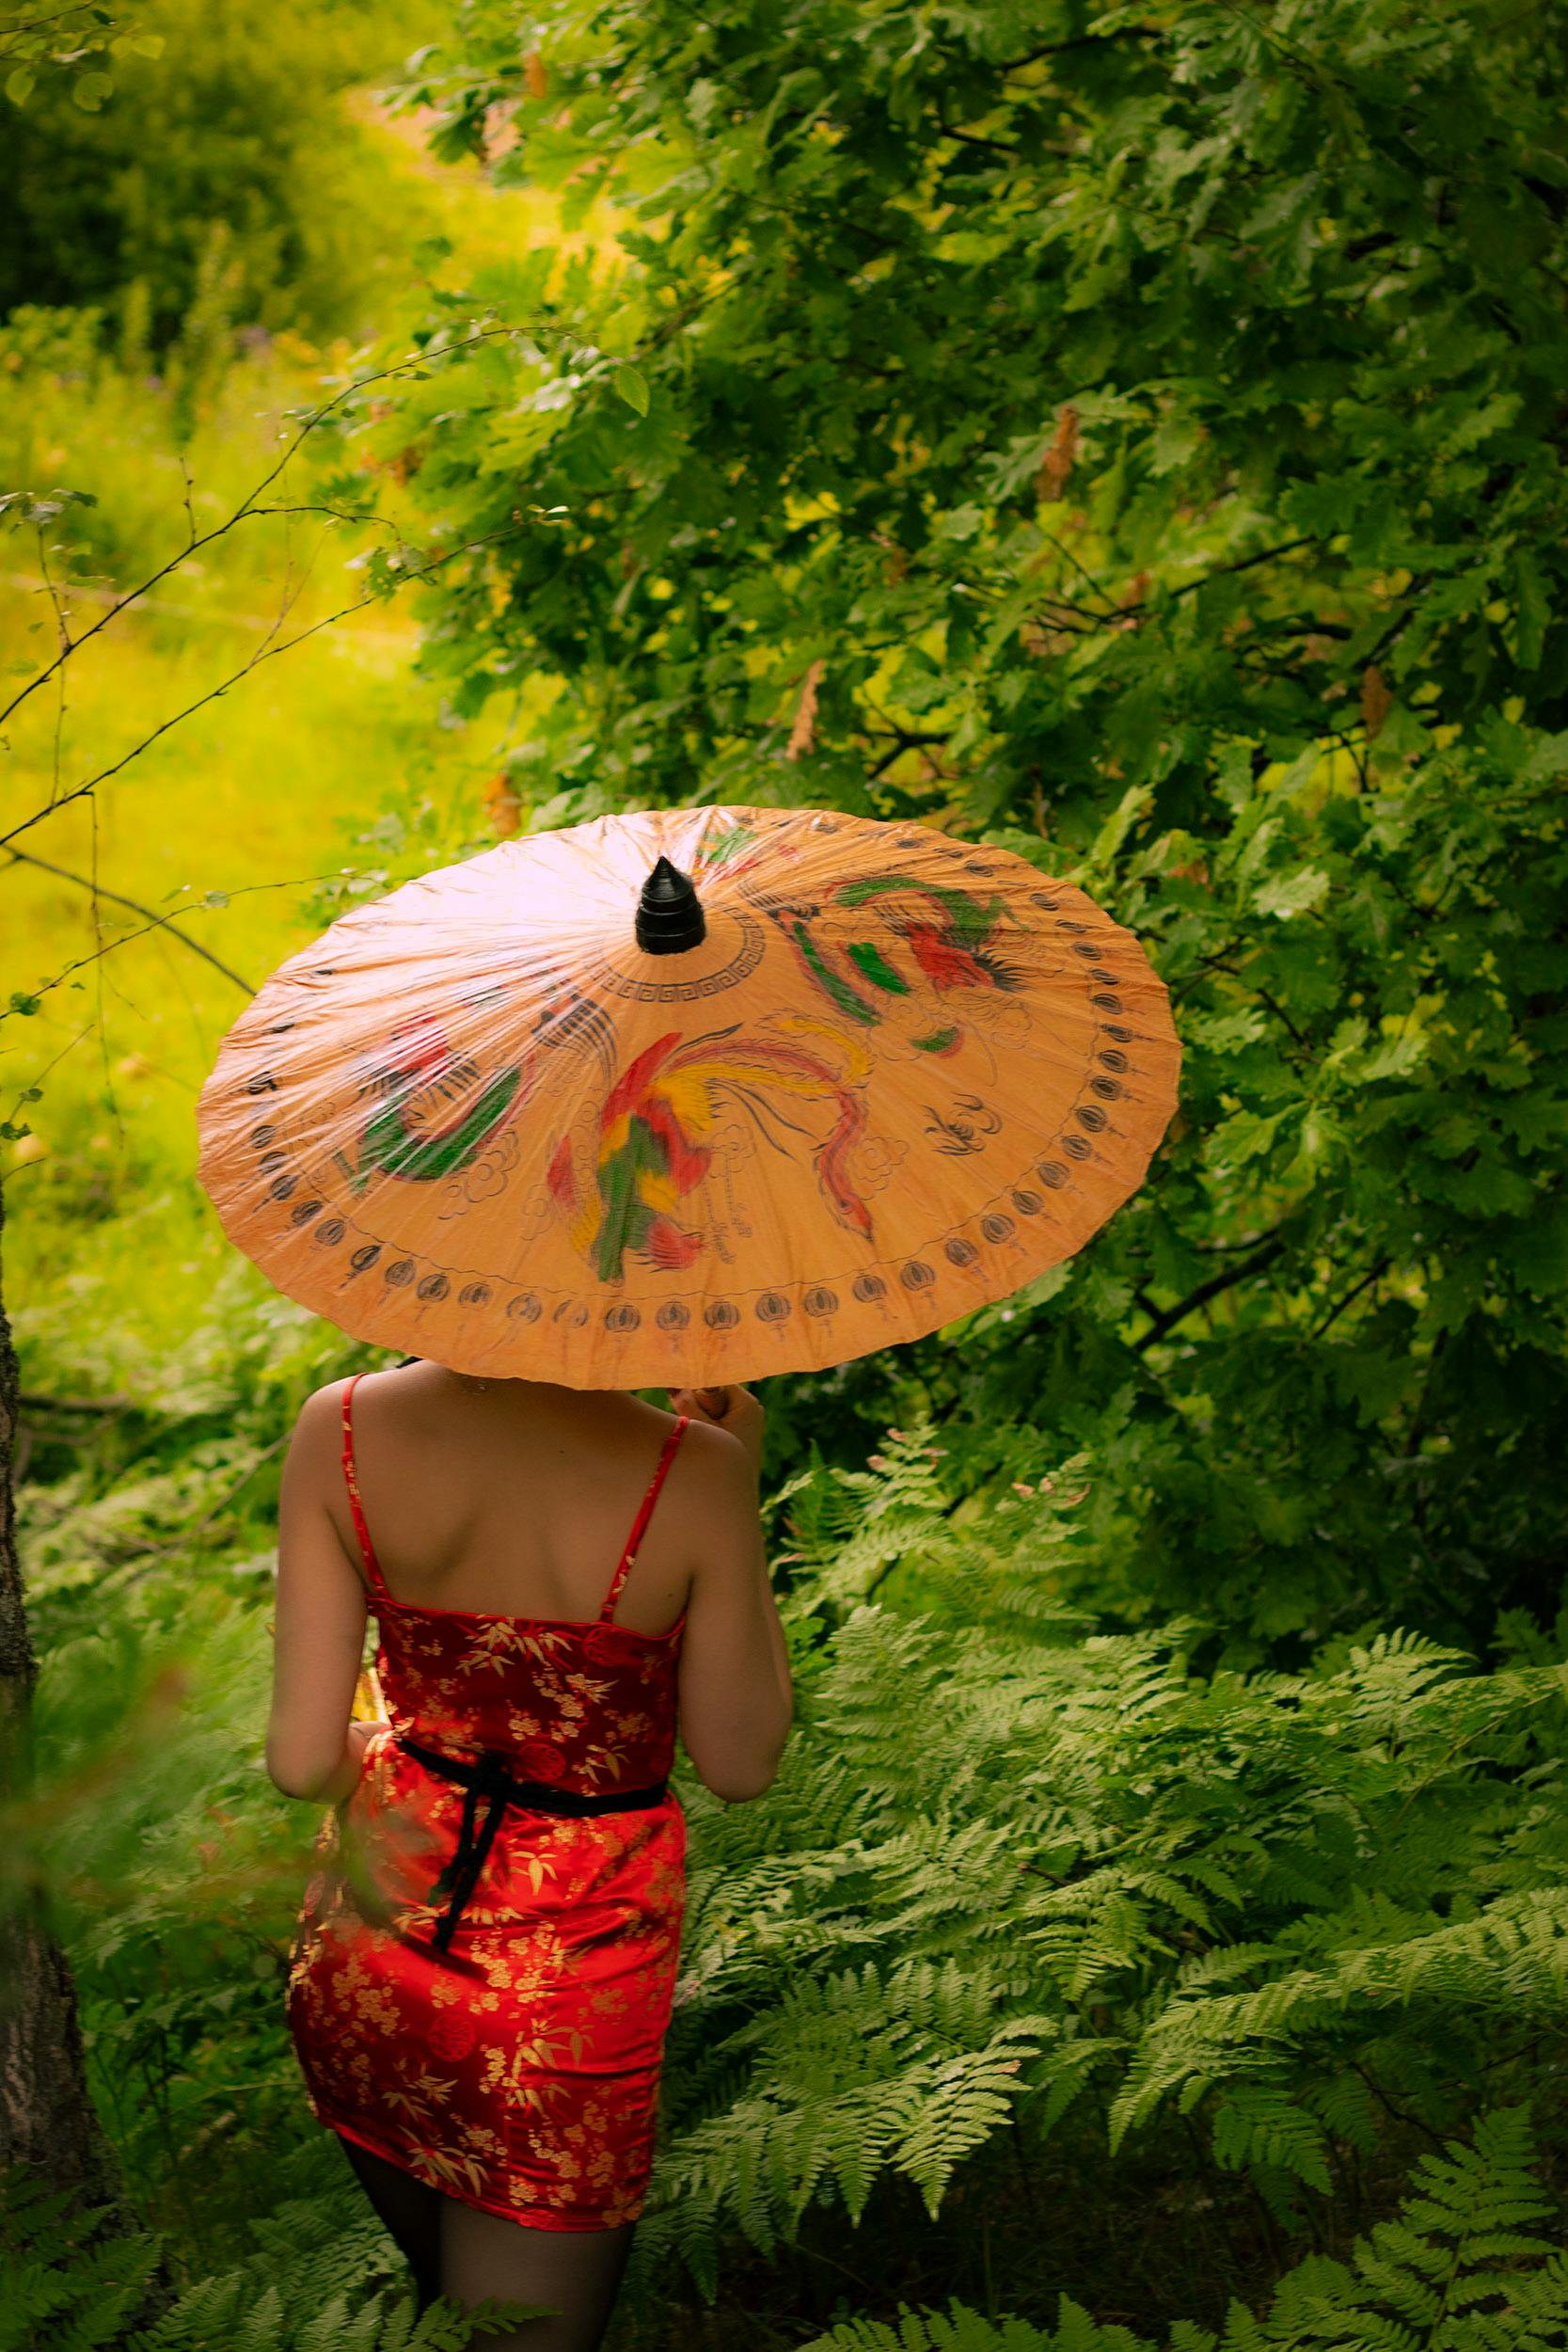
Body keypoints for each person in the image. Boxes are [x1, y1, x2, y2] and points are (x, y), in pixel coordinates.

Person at [265, 1364, 793, 2350]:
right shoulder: (694, 1469)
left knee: (453, 2319)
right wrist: (738, 1476)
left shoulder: (336, 1425)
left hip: (367, 1956)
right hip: (564, 1989)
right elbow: (741, 1758)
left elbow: (300, 1762)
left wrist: (423, 1763)